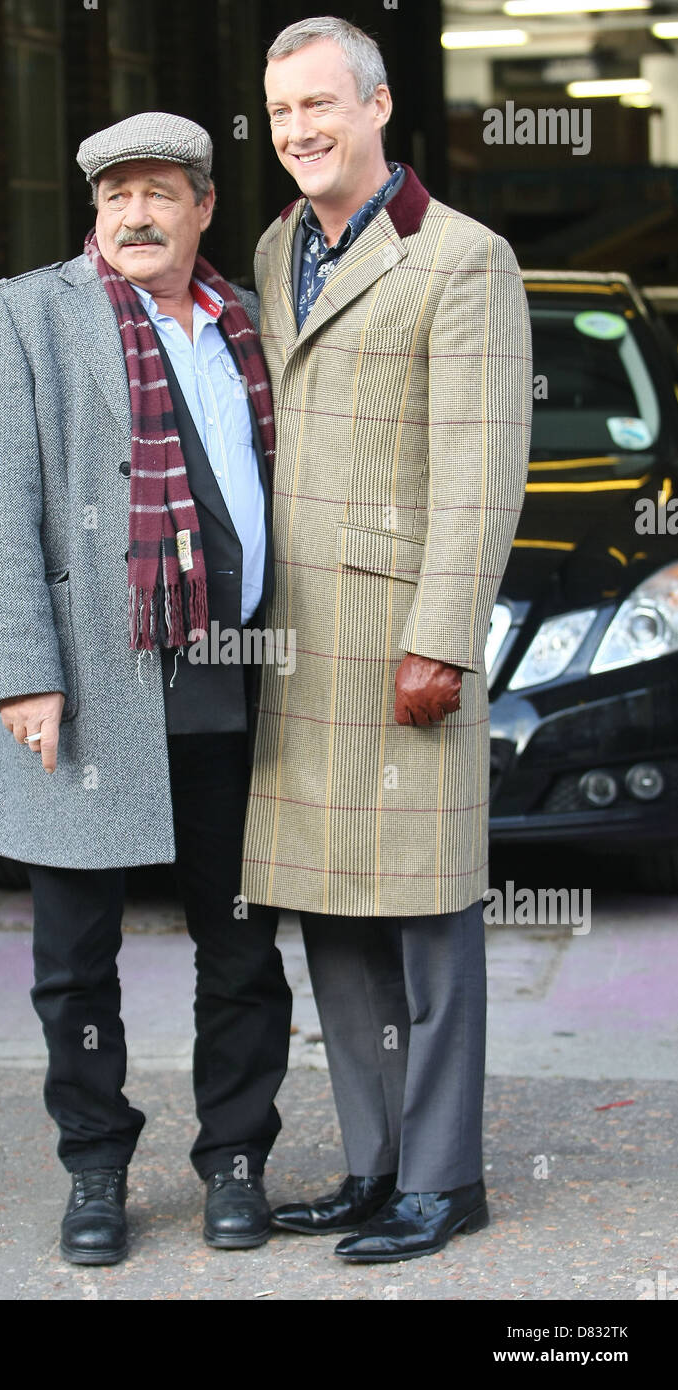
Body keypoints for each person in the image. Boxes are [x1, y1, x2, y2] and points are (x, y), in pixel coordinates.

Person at [0, 112, 292, 1265]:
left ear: (204, 207)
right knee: (75, 954)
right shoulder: (28, 313)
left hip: (235, 677)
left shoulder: (244, 320)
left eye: (159, 193)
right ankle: (95, 1167)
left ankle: (237, 1156)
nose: (135, 215)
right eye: (114, 196)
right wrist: (24, 676)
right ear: (95, 211)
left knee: (239, 943)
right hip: (89, 685)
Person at [241, 17, 533, 1262]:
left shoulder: (461, 257)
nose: (300, 132)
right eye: (281, 114)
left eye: (320, 106)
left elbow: (481, 467)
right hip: (296, 640)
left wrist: (444, 639)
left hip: (400, 635)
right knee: (331, 909)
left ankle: (446, 1175)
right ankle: (373, 1164)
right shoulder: (271, 246)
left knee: (427, 912)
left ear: (377, 107)